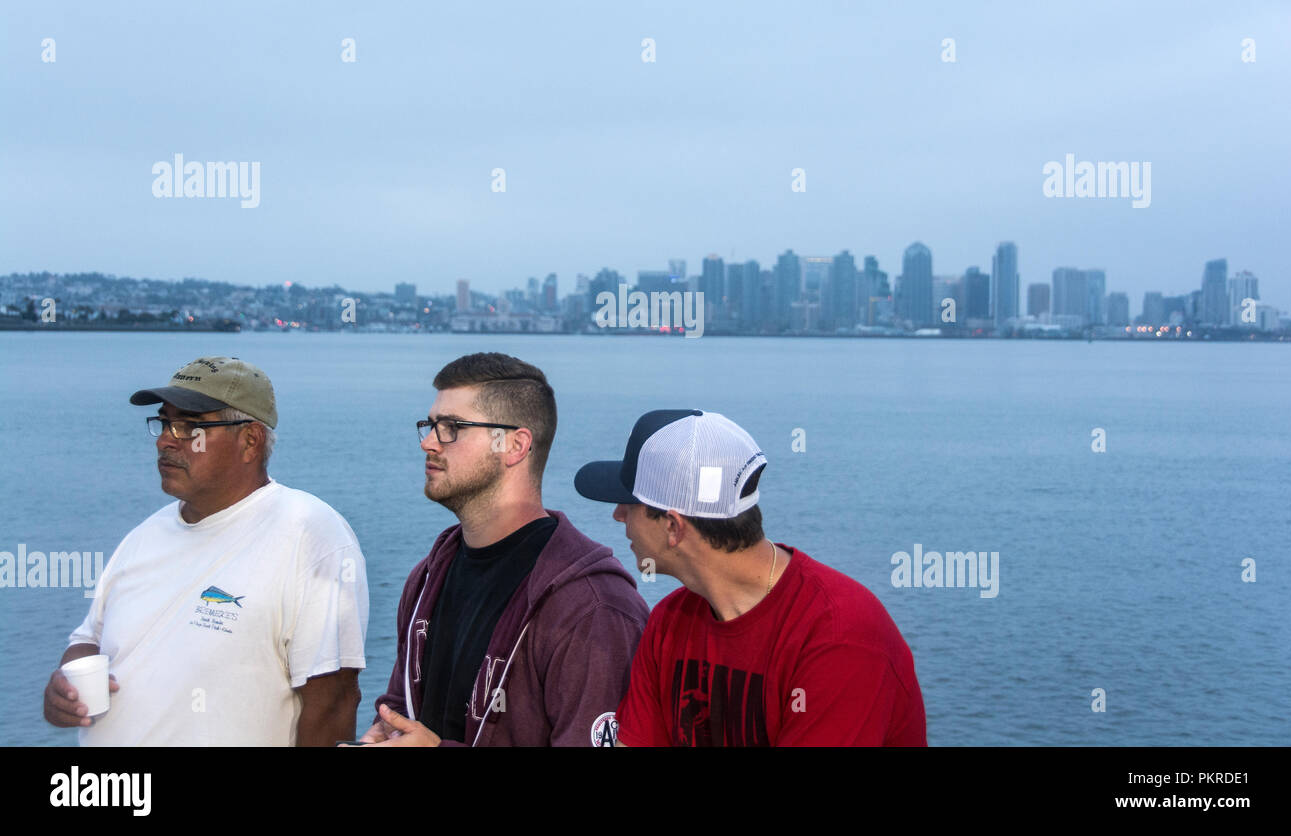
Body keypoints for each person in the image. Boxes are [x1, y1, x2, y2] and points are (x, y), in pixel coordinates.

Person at [41, 356, 368, 746]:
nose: (166, 439)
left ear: (250, 440)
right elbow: (88, 640)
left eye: (189, 426)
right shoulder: (145, 536)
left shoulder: (310, 535)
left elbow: (331, 706)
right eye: (164, 422)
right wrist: (64, 687)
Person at [575, 409, 927, 746]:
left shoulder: (840, 636)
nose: (618, 516)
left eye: (629, 504)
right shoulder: (669, 621)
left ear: (672, 526)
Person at [361, 352, 648, 747]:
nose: (429, 442)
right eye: (430, 425)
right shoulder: (427, 577)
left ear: (515, 445)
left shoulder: (592, 608)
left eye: (452, 427)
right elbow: (401, 709)